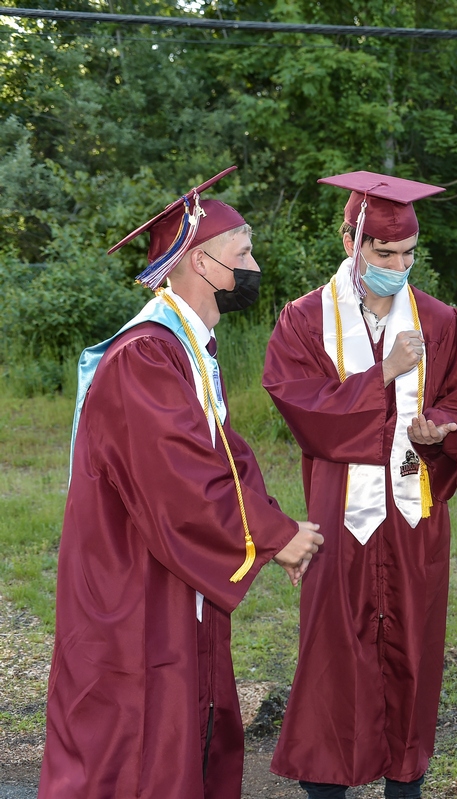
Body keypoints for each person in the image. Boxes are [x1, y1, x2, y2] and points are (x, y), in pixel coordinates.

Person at [39, 166, 324, 799]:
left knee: (181, 724)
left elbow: (224, 452)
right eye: (241, 253)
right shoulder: (144, 355)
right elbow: (182, 479)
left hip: (164, 569)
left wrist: (275, 527)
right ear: (198, 263)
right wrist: (275, 537)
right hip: (131, 580)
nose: (253, 264)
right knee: (133, 736)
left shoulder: (187, 348)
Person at [262, 172, 457, 799]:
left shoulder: (438, 319)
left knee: (411, 649)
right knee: (334, 655)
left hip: (413, 518)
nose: (399, 266)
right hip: (340, 518)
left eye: (409, 254)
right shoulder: (304, 319)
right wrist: (383, 373)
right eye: (386, 254)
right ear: (351, 241)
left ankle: (404, 778)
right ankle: (327, 784)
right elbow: (303, 409)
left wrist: (444, 430)